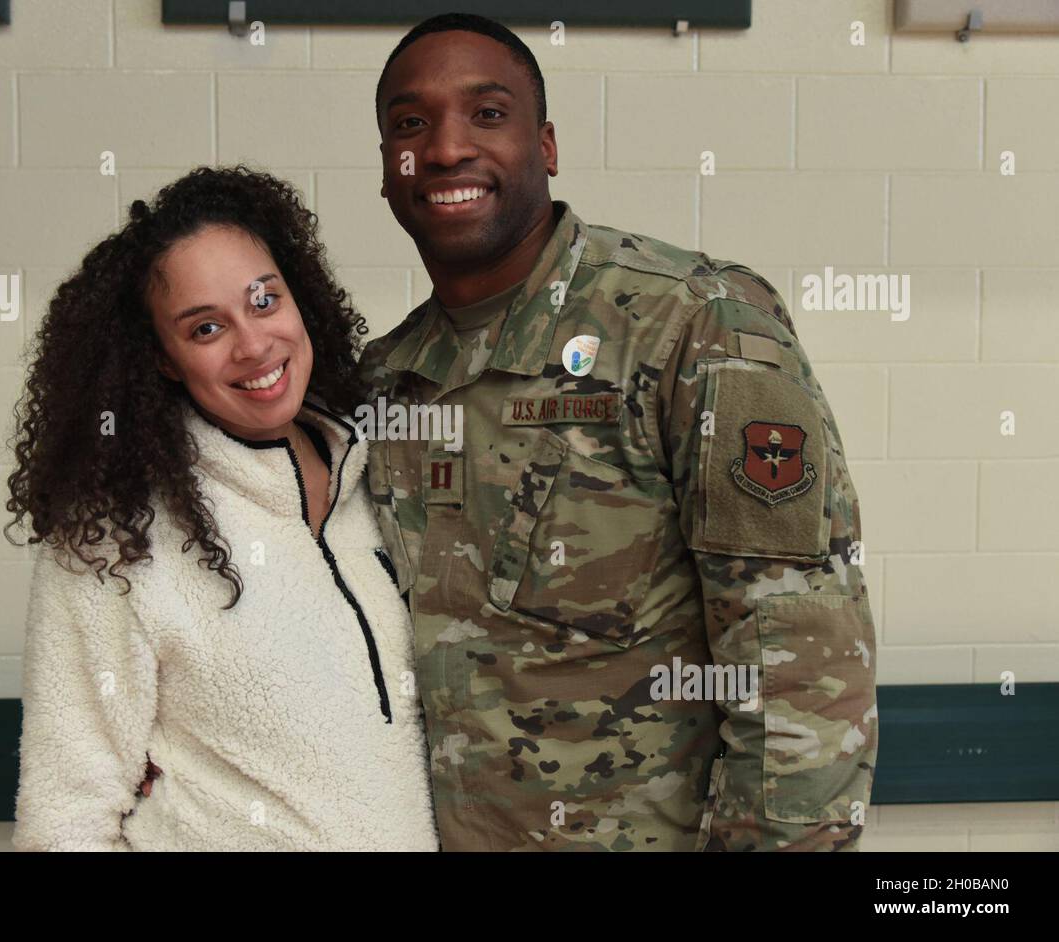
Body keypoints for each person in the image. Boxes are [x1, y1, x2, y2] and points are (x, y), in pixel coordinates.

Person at [358, 12, 878, 851]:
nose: (447, 147)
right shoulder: (385, 384)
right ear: (388, 170)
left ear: (548, 146)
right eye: (410, 124)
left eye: (488, 114)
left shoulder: (693, 324)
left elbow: (800, 671)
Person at [4, 165, 438, 851]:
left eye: (265, 301)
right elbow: (64, 821)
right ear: (165, 359)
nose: (254, 344)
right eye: (206, 328)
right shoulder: (116, 538)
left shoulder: (385, 472)